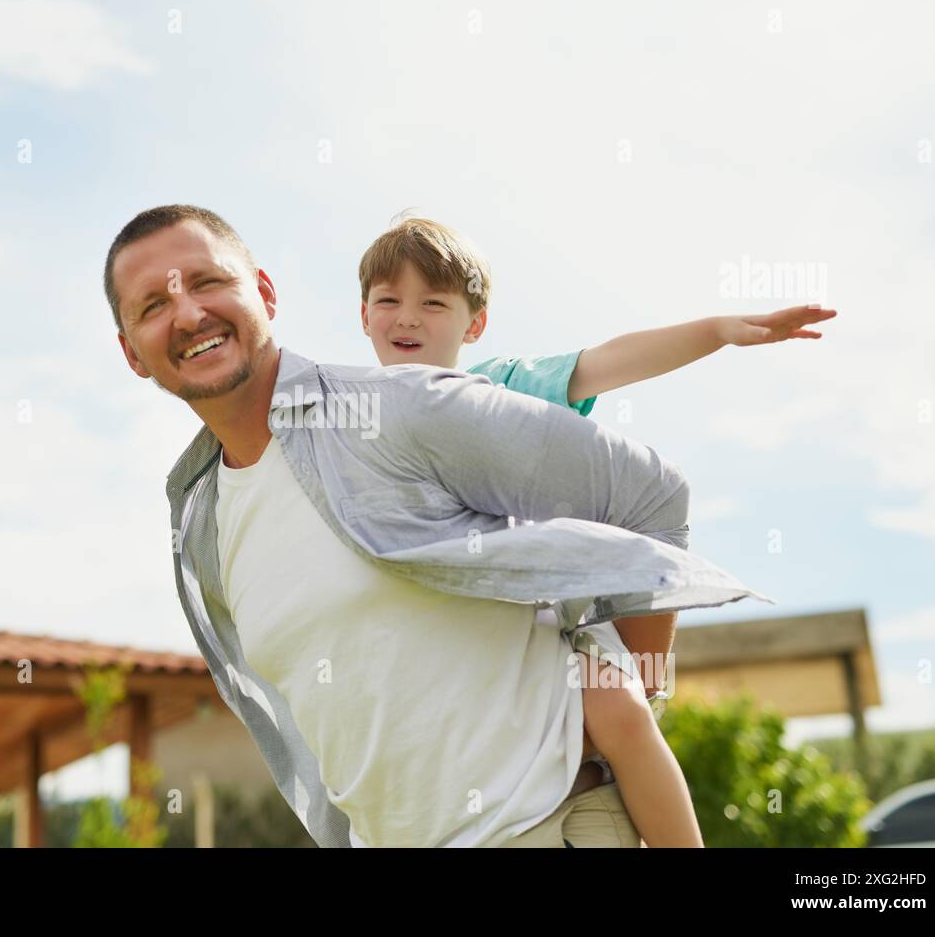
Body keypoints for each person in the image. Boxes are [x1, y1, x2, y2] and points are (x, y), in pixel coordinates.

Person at [106, 204, 770, 847]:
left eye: (208, 281)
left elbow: (652, 496)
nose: (189, 312)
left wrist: (628, 692)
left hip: (545, 826)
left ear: (266, 293)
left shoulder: (400, 409)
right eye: (153, 305)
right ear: (132, 352)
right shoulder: (203, 527)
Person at [356, 214, 836, 846]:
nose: (407, 317)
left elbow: (608, 361)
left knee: (615, 707)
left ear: (474, 324)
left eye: (433, 303)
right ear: (363, 315)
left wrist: (717, 331)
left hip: (551, 624)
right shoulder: (351, 418)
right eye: (388, 300)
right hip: (454, 648)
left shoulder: (497, 388)